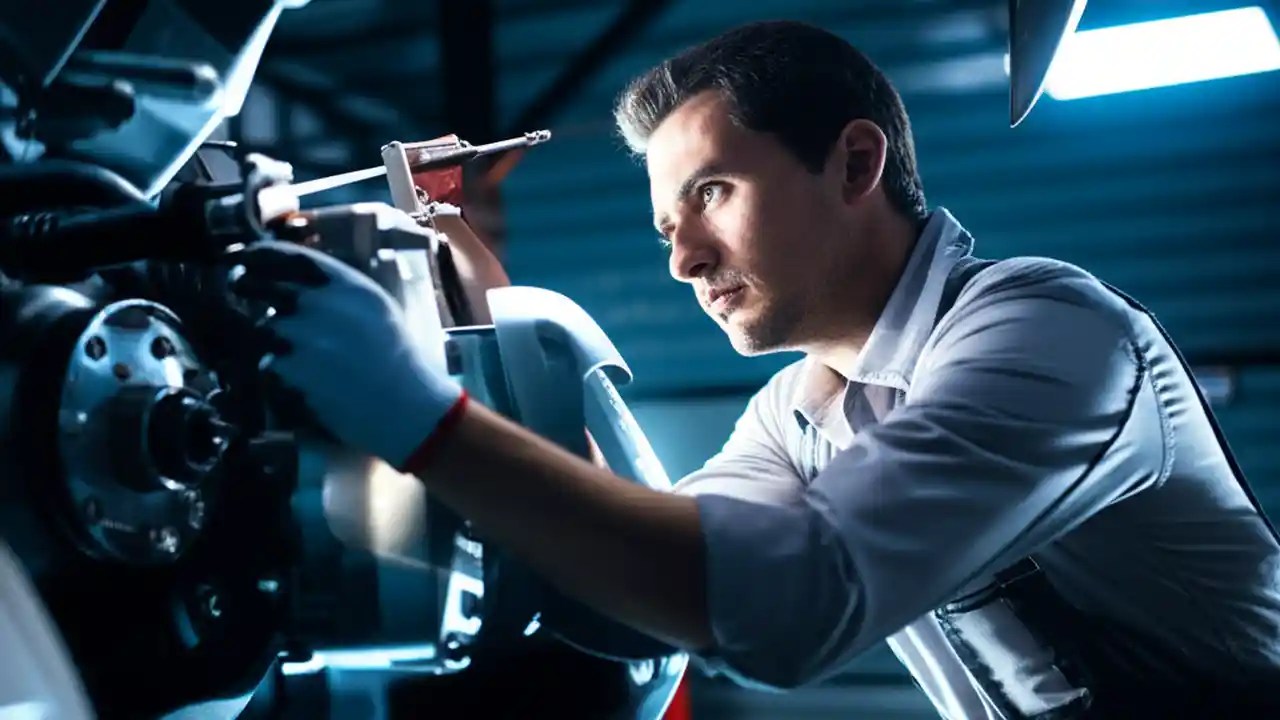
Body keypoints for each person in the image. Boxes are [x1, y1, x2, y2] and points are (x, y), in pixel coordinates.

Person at [230, 20, 1280, 719]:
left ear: (855, 165)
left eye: (712, 193)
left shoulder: (1047, 331)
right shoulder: (798, 411)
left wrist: (426, 417)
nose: (683, 259)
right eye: (662, 228)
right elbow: (646, 592)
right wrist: (471, 284)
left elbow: (783, 605)